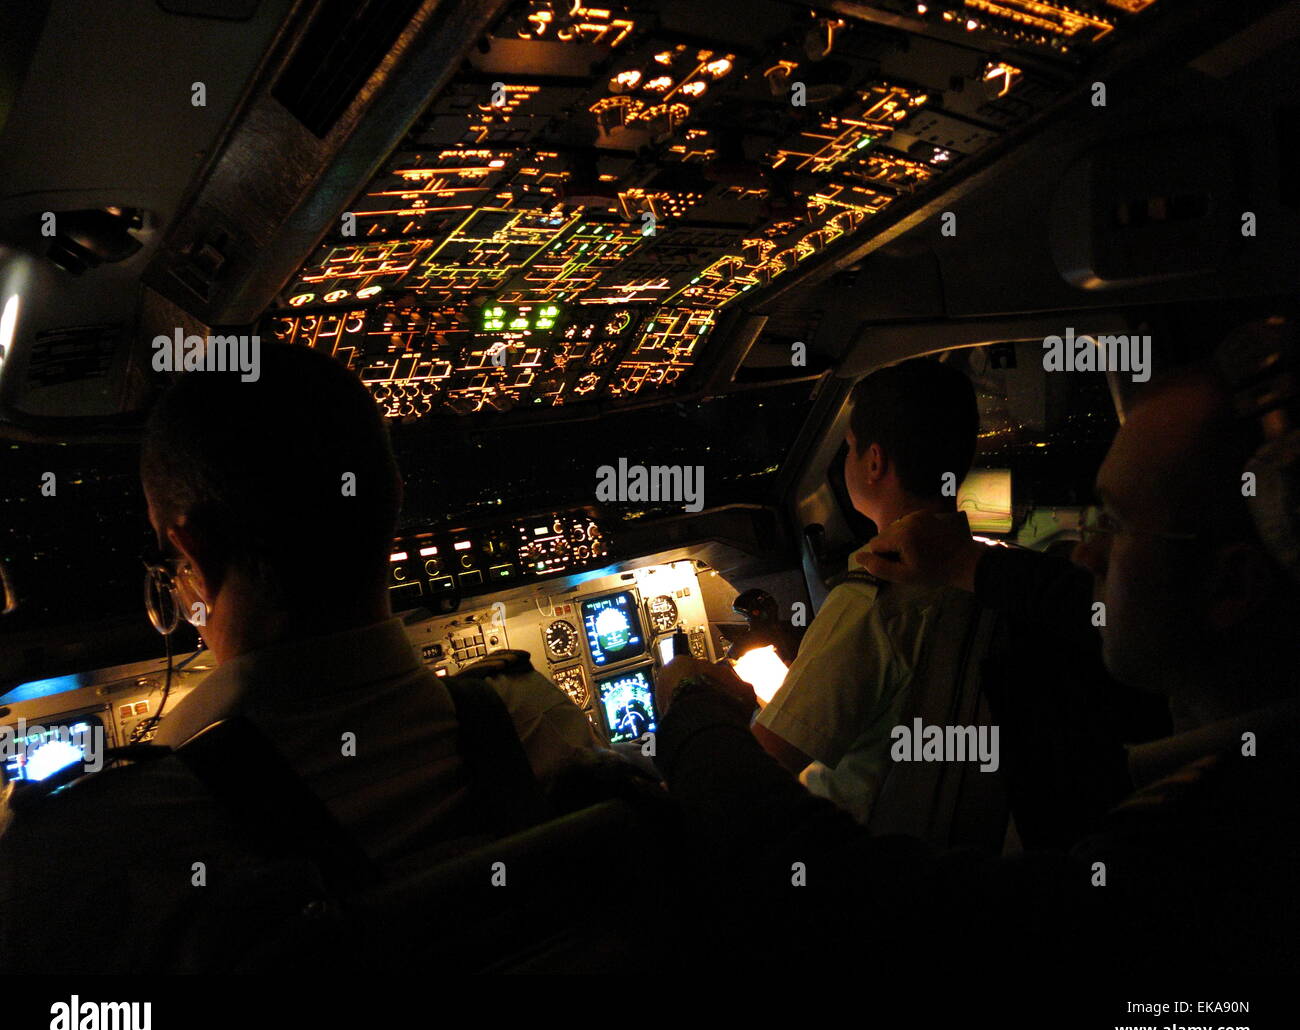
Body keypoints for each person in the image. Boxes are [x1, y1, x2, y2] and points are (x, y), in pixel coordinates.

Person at [653, 357, 1300, 982]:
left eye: (1118, 522)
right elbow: (1057, 595)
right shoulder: (1206, 768)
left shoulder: (1195, 862)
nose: (1084, 551)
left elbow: (819, 867)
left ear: (1232, 583)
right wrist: (972, 564)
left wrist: (689, 698)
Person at [0, 341, 606, 970]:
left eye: (168, 561)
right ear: (394, 500)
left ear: (193, 554)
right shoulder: (541, 724)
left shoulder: (80, 851)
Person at [750, 357, 982, 824]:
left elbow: (754, 773)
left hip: (853, 854)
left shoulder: (872, 600)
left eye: (850, 447)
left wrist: (698, 697)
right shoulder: (983, 571)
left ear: (874, 462)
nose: (848, 461)